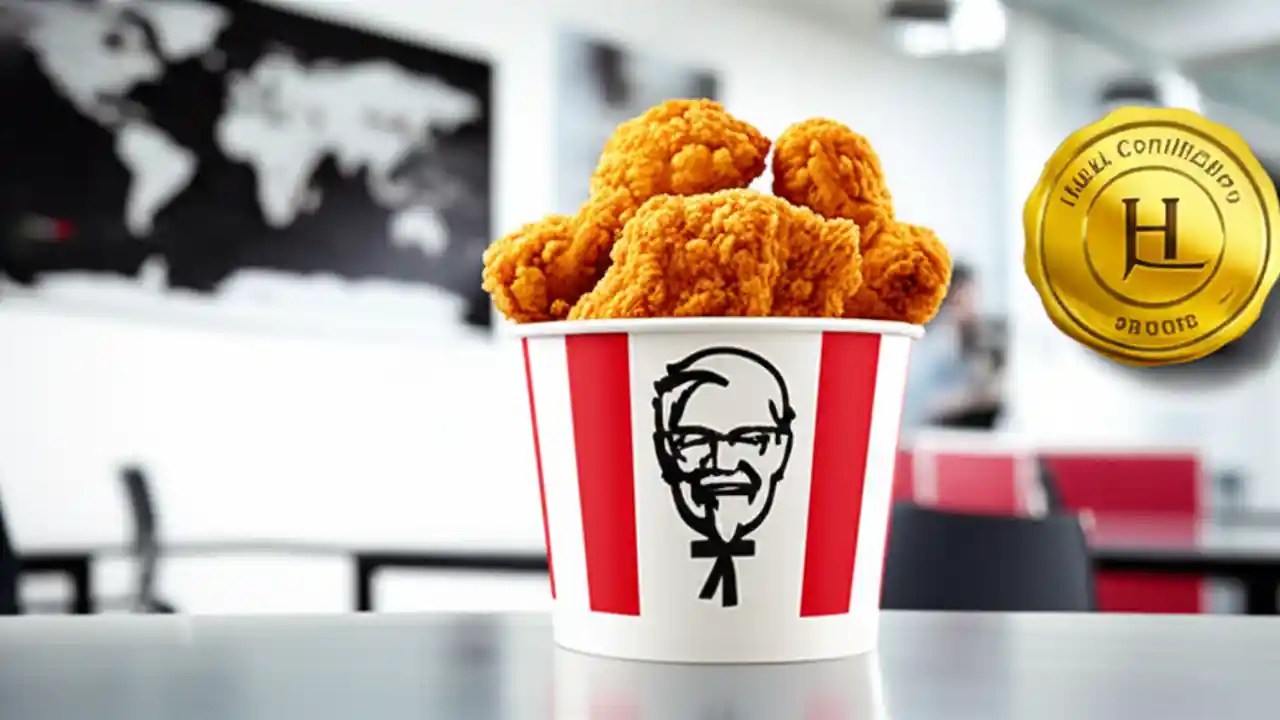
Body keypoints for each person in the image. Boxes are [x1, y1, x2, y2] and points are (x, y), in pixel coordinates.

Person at [900, 263, 1005, 433]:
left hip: (958, 431)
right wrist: (971, 399)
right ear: (954, 297)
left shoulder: (975, 337)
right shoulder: (939, 339)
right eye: (967, 296)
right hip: (926, 431)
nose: (973, 304)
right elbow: (926, 399)